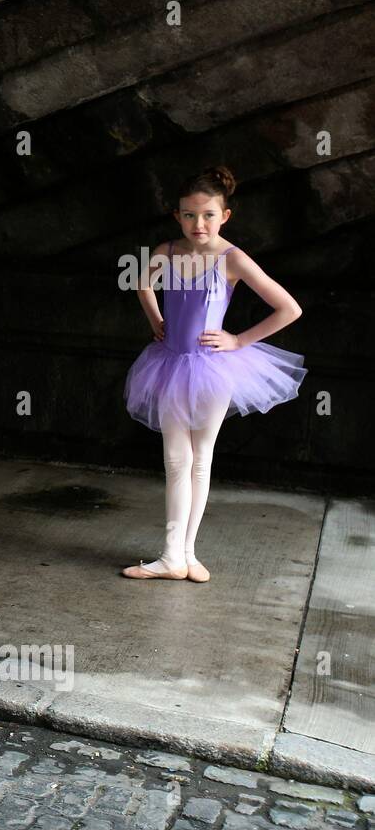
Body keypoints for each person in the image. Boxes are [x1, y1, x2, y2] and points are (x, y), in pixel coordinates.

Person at [122, 165, 305, 582]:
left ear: (224, 216)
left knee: (200, 460)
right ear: (177, 216)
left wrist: (240, 341)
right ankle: (171, 557)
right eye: (188, 215)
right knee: (175, 458)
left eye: (207, 215)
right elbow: (143, 284)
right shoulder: (167, 252)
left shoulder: (232, 258)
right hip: (168, 364)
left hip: (212, 370)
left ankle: (187, 552)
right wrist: (156, 319)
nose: (197, 224)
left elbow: (289, 308)